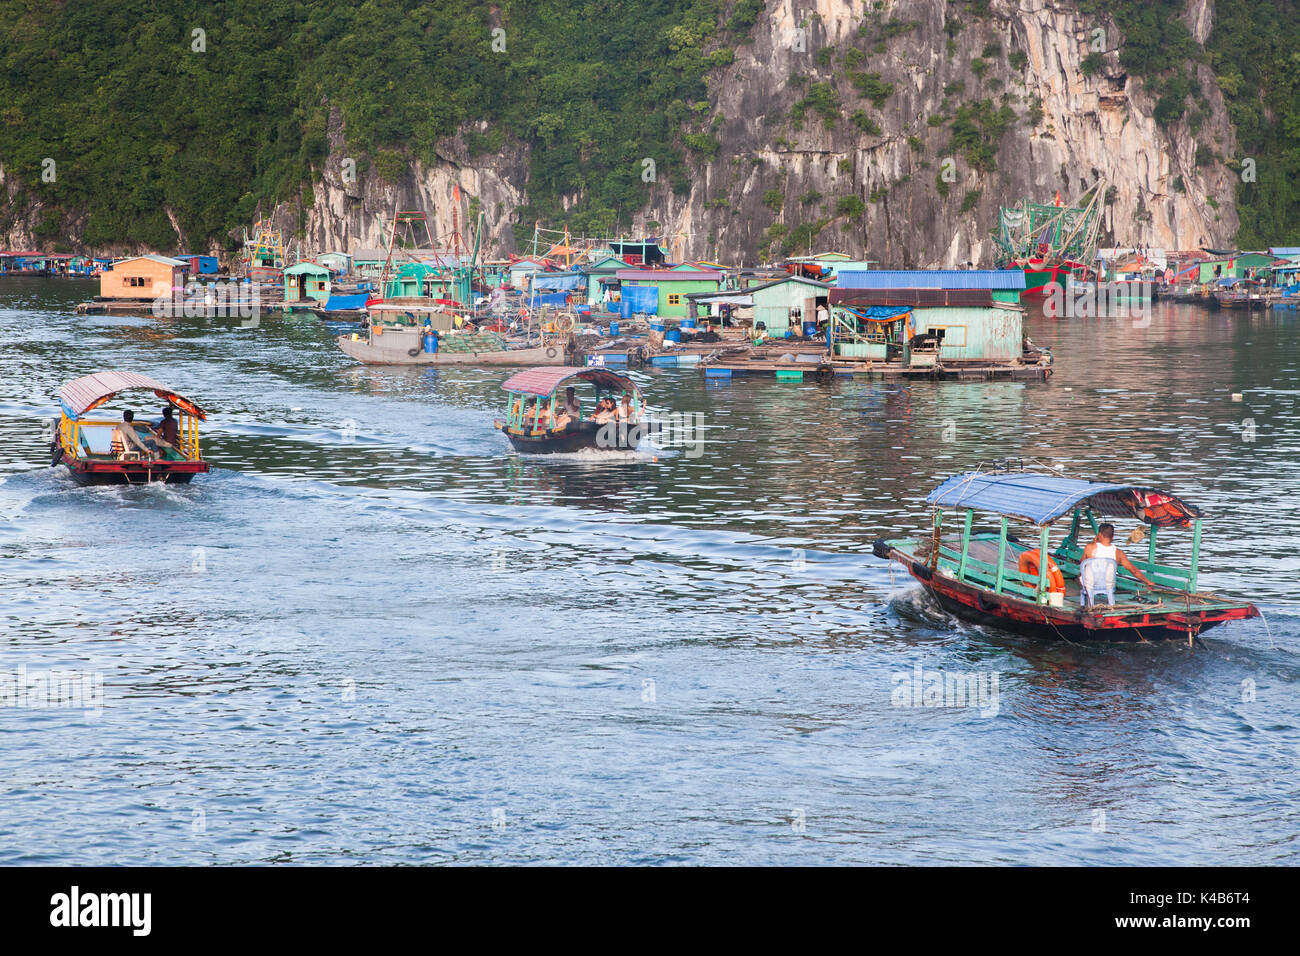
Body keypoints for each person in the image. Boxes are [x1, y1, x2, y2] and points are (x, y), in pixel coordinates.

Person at [1083, 522, 1153, 589]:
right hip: (1109, 586)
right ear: (1113, 536)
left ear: (1099, 534)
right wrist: (1148, 581)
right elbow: (1133, 570)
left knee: (1079, 577)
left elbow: (1082, 563)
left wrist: (1094, 543)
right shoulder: (1119, 553)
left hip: (1090, 584)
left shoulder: (1089, 547)